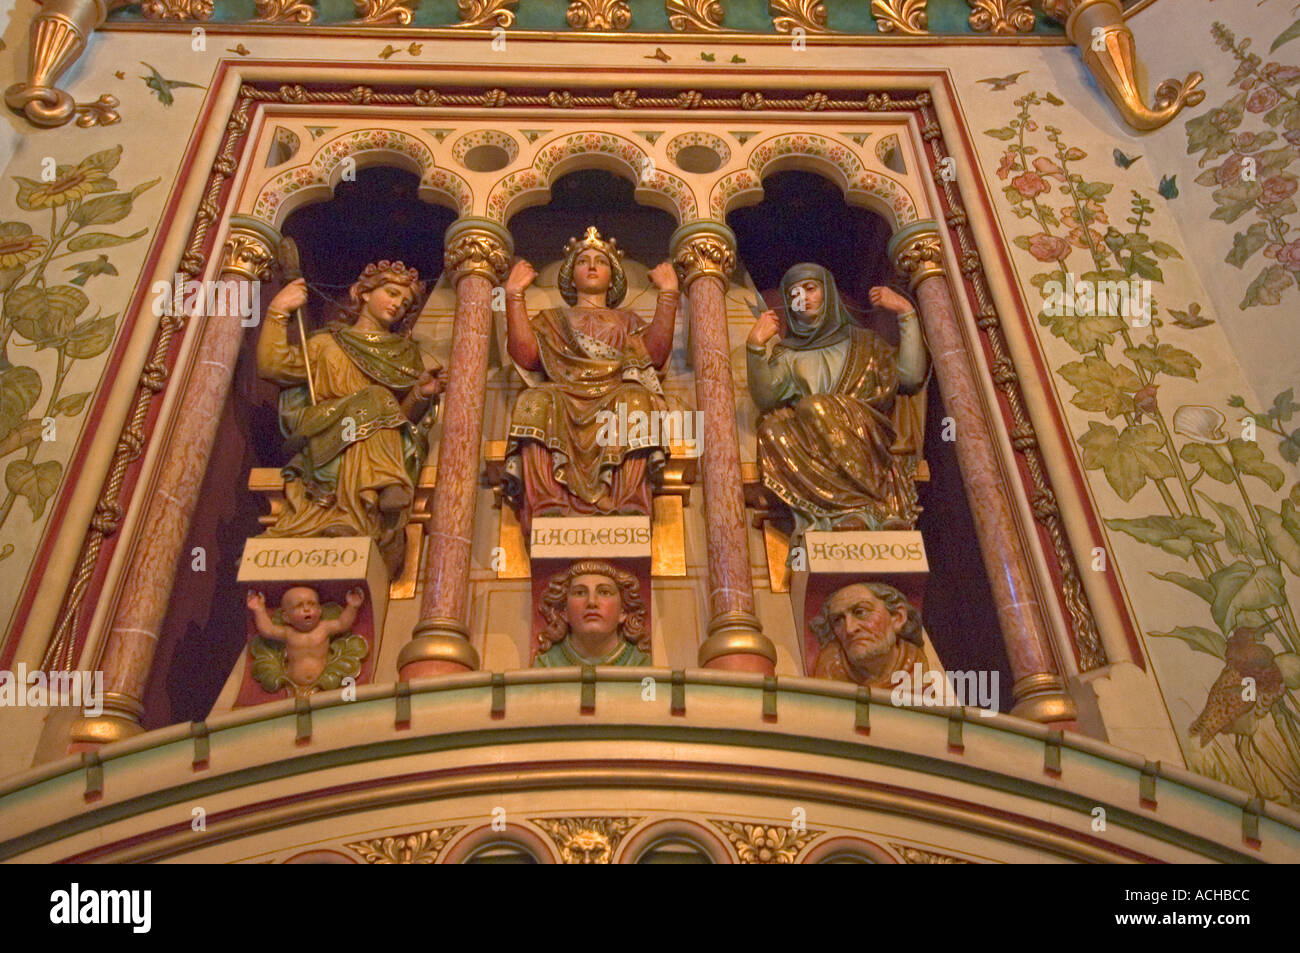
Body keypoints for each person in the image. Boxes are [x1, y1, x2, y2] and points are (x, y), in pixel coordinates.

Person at [257, 261, 443, 575]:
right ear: (363, 293)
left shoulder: (405, 354)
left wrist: (421, 393)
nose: (398, 304)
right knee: (375, 398)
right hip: (327, 425)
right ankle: (387, 484)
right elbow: (272, 366)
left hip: (370, 439)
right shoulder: (324, 343)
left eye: (406, 302)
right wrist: (278, 310)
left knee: (377, 406)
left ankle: (355, 519)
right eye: (392, 292)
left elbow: (398, 420)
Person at [503, 227, 680, 536]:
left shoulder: (626, 320)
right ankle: (548, 503)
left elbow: (653, 352)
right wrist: (514, 296)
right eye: (583, 261)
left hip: (615, 391)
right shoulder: (551, 318)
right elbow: (526, 354)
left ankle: (629, 500)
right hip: (563, 391)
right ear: (571, 276)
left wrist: (668, 295)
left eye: (601, 261)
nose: (593, 266)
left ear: (612, 277)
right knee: (534, 400)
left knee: (635, 400)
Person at [746, 263, 927, 539]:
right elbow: (766, 397)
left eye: (810, 289)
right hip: (814, 441)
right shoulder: (787, 354)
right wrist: (756, 346)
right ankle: (840, 511)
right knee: (771, 432)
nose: (802, 298)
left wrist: (907, 313)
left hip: (863, 430)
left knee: (814, 406)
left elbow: (911, 376)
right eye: (794, 293)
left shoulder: (864, 342)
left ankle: (871, 506)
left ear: (827, 293)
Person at [809, 581, 929, 688]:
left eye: (860, 612)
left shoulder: (915, 667)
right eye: (838, 620)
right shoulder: (831, 670)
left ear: (898, 617)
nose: (850, 629)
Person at [534, 560, 651, 667]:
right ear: (564, 612)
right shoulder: (547, 664)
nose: (591, 602)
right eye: (580, 593)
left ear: (623, 611)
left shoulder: (640, 663)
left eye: (604, 592)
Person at [246, 586, 364, 691]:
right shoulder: (288, 633)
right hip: (291, 684)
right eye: (299, 606)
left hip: (324, 682)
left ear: (319, 610)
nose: (306, 609)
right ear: (286, 617)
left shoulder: (324, 628)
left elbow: (342, 624)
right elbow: (268, 630)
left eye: (311, 604)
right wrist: (259, 609)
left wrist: (352, 606)